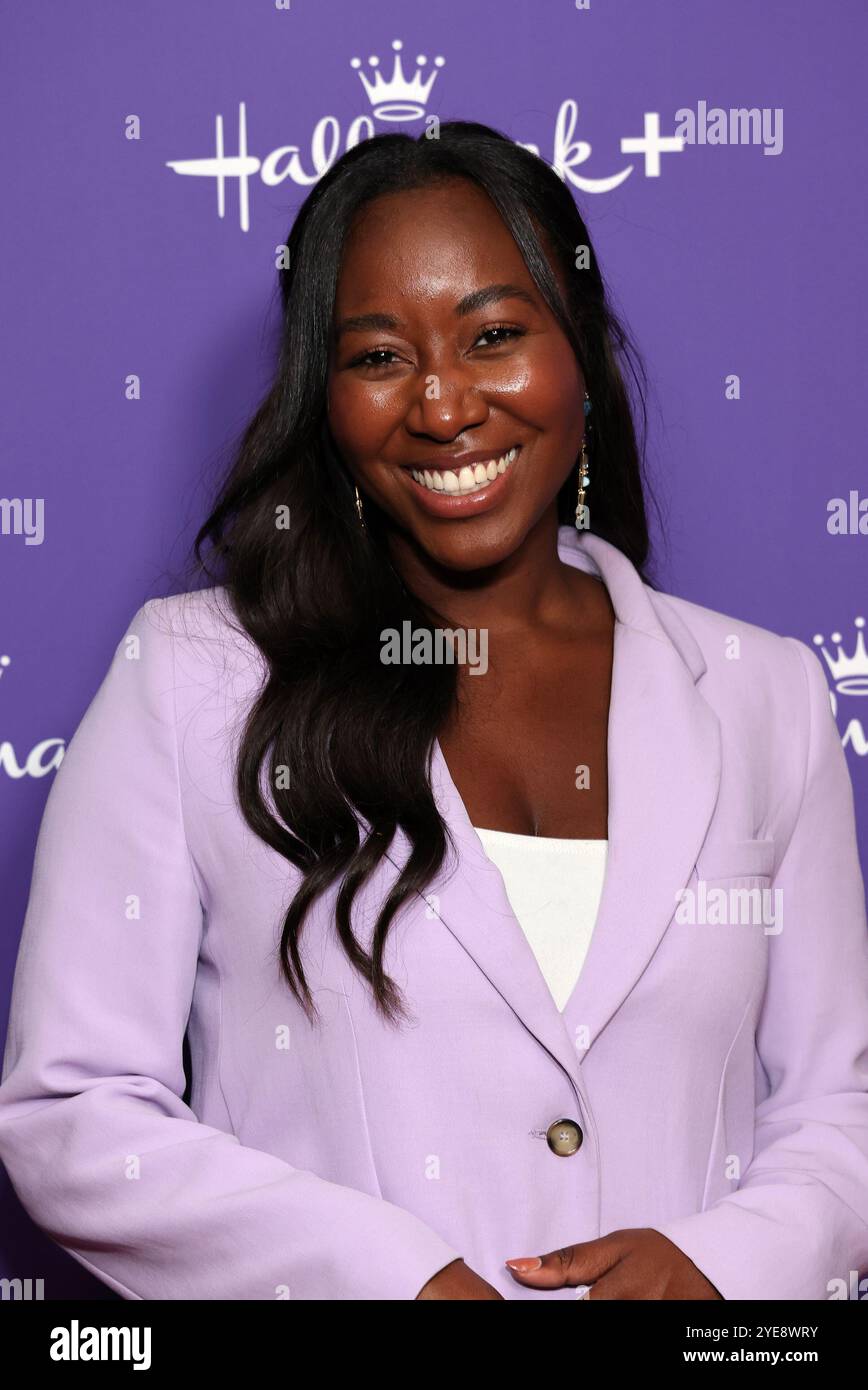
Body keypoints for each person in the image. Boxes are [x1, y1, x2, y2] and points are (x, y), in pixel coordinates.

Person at [0, 122, 866, 1301]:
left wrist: (724, 1269)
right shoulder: (193, 679)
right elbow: (74, 1112)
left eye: (495, 335)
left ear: (579, 354)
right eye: (377, 357)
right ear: (325, 398)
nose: (444, 404)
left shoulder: (764, 696)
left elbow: (842, 1105)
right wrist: (387, 1281)